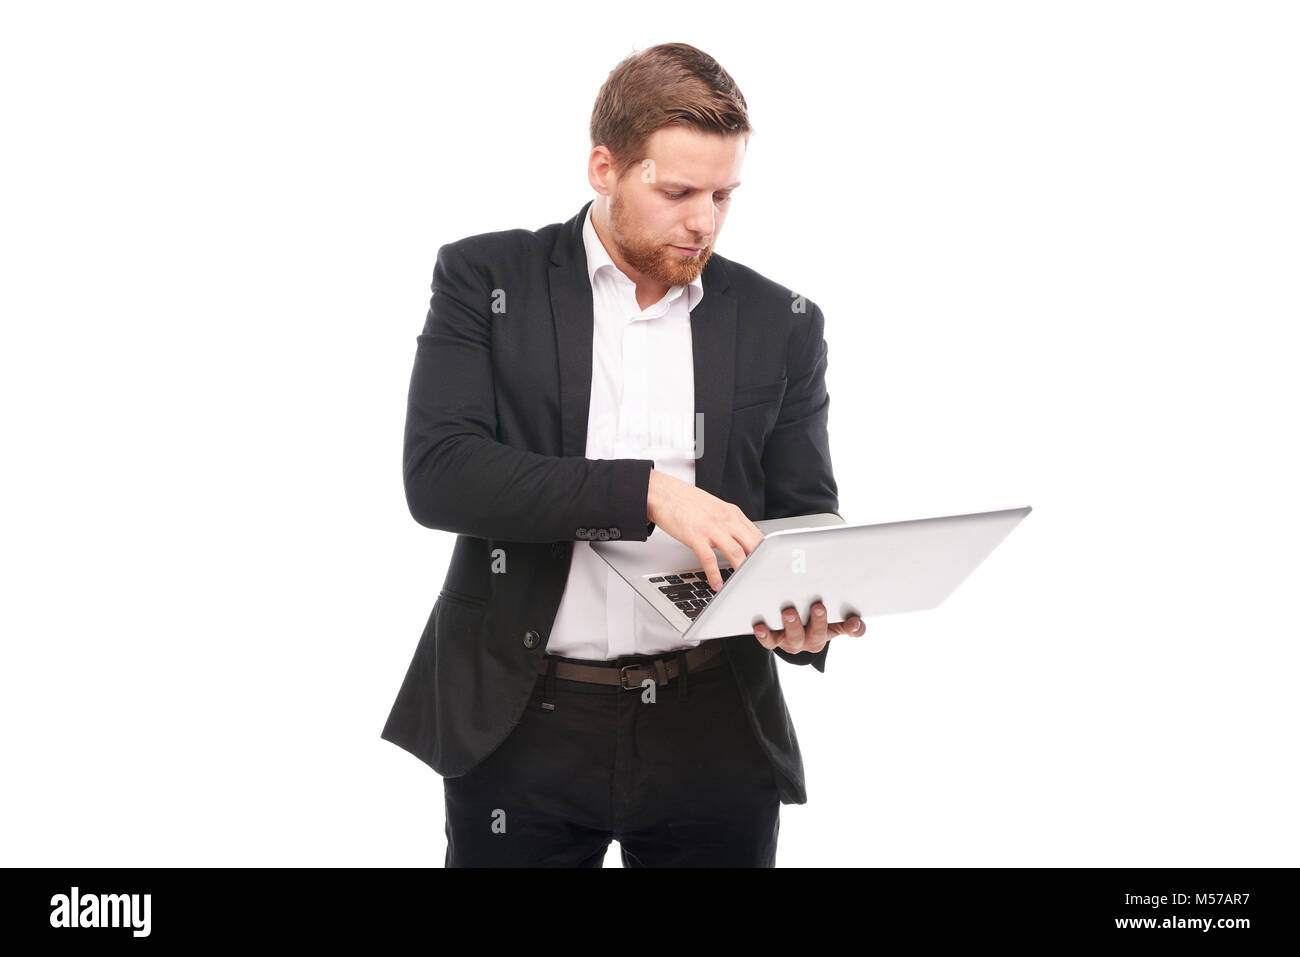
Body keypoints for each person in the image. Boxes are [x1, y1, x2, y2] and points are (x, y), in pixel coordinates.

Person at [381, 42, 864, 867]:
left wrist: (804, 612)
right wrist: (647, 491)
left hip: (713, 725)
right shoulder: (485, 278)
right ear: (604, 166)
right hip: (522, 722)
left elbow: (802, 511)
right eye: (677, 191)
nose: (703, 220)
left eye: (723, 194)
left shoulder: (783, 321)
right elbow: (441, 473)